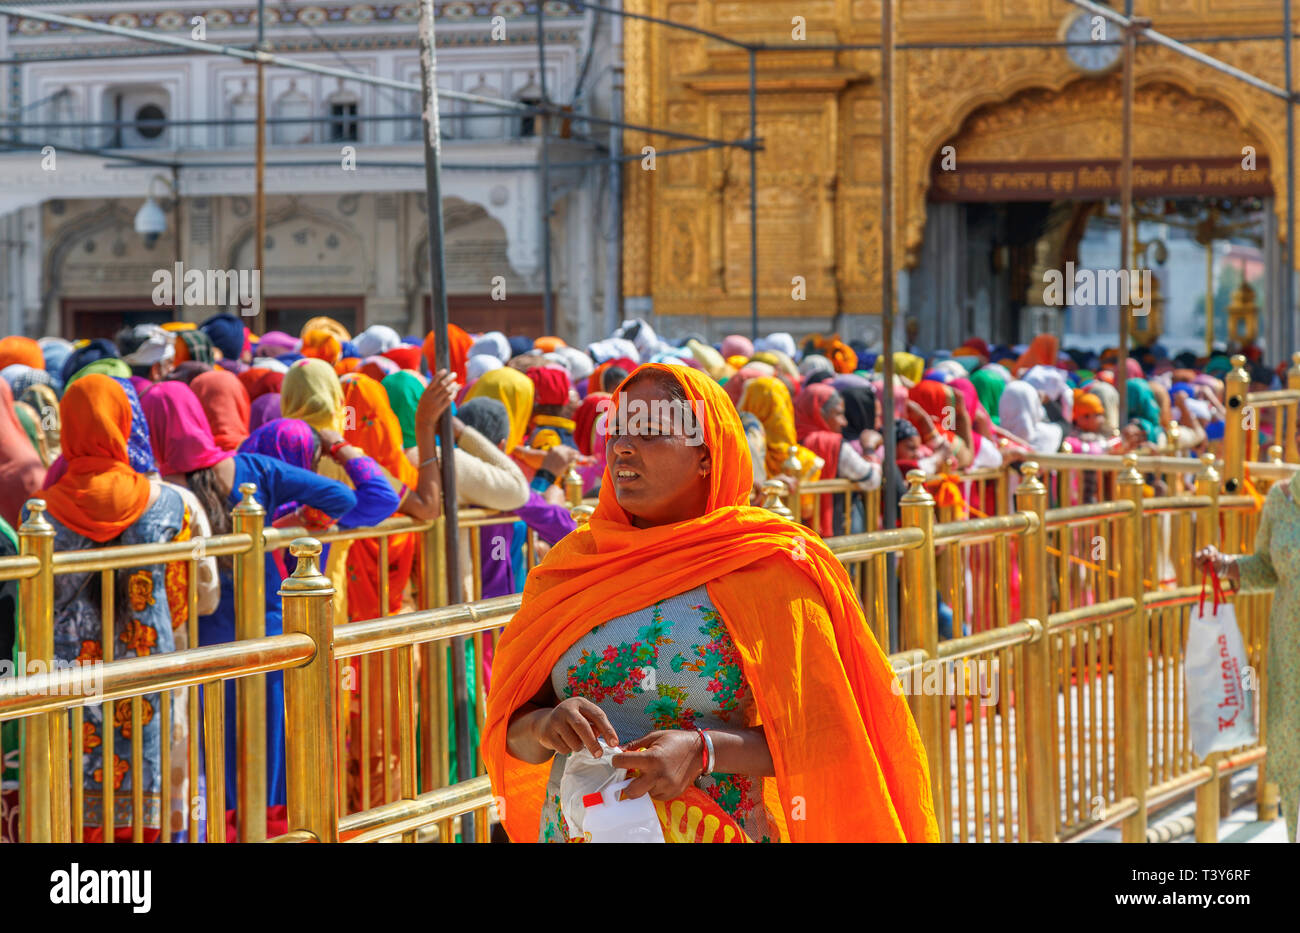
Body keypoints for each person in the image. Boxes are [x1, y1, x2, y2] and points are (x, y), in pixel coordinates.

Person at [486, 364, 939, 843]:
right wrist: (545, 725)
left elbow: (828, 737)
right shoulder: (574, 564)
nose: (621, 445)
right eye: (616, 428)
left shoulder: (767, 566)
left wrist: (704, 751)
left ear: (706, 455)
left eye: (650, 431)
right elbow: (514, 733)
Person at [39, 375, 191, 842]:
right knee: (147, 770)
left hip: (67, 673)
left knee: (72, 782)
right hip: (146, 668)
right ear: (122, 424)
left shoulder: (41, 516)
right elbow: (180, 603)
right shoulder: (169, 504)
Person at [1196, 475, 1300, 841]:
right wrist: (1225, 565)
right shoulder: (1281, 497)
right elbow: (1266, 568)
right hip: (1292, 654)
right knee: (1295, 762)